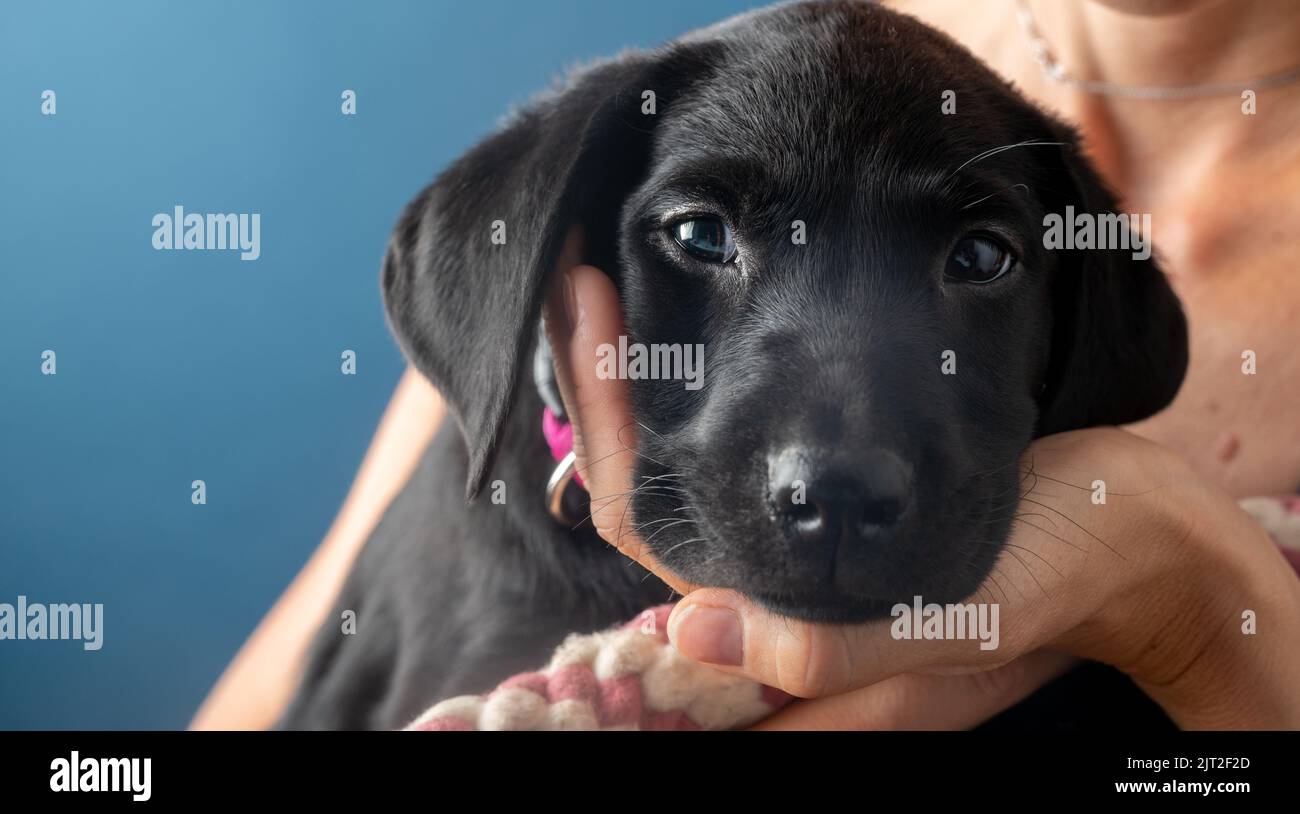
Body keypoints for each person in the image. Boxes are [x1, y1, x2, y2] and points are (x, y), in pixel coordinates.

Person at [193, 0, 1300, 730]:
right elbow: (294, 672)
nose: (837, 455)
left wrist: (1189, 600)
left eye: (976, 255)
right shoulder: (668, 111)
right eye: (701, 237)